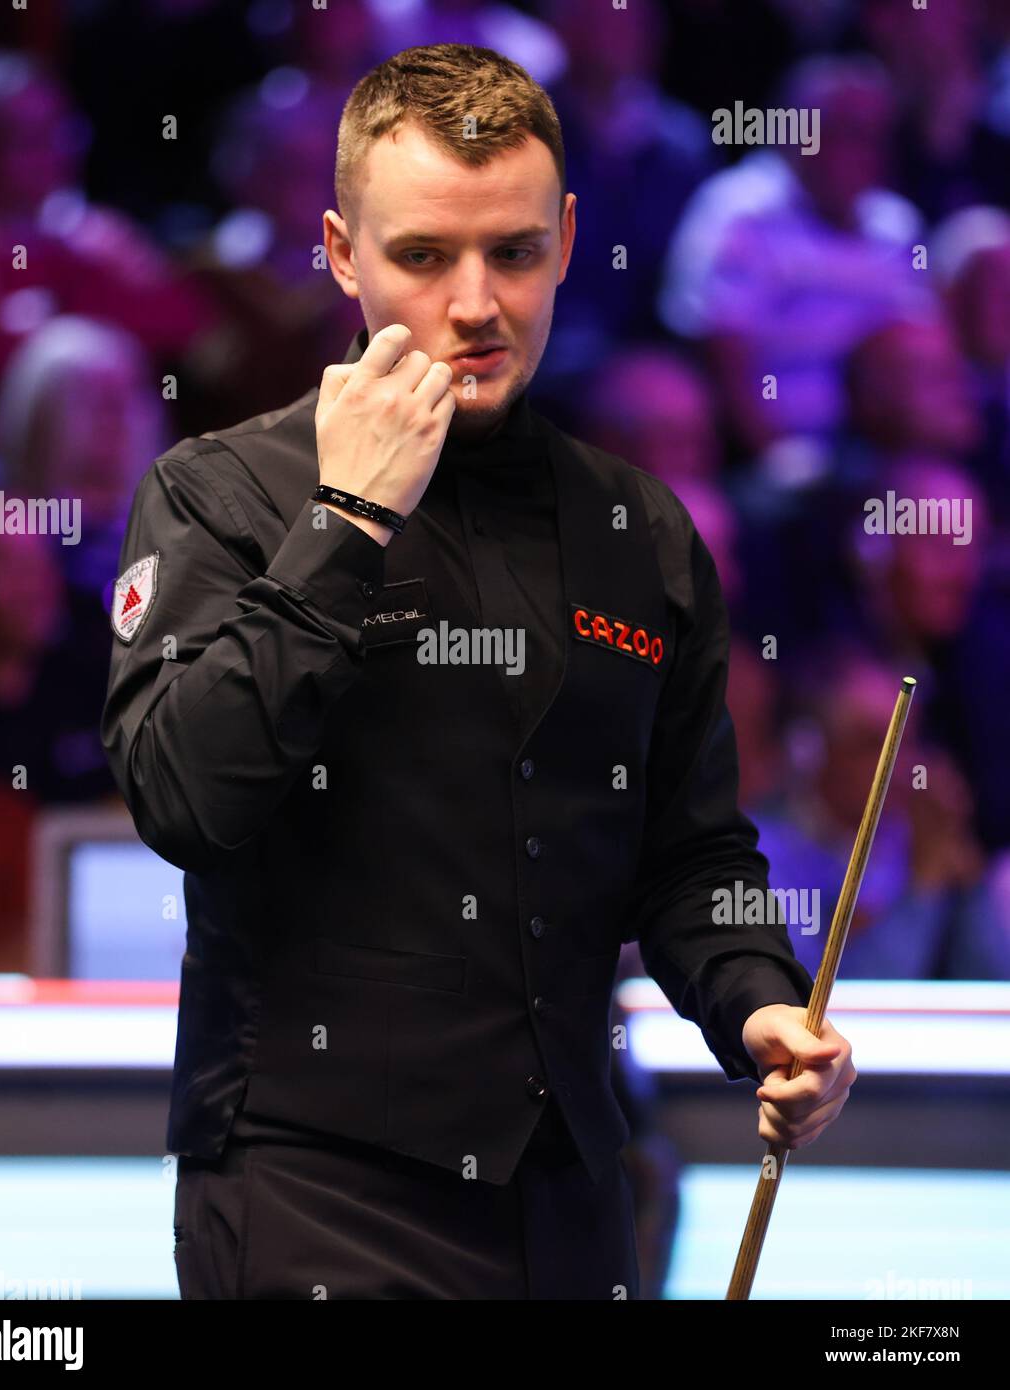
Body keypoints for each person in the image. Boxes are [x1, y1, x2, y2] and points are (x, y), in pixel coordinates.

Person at [102, 42, 856, 1301]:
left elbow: (693, 857)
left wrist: (758, 1002)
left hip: (569, 1193)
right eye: (422, 257)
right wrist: (344, 523)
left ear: (565, 239)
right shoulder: (217, 494)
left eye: (511, 252)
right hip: (307, 1187)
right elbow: (181, 796)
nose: (474, 305)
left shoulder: (640, 532)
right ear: (342, 252)